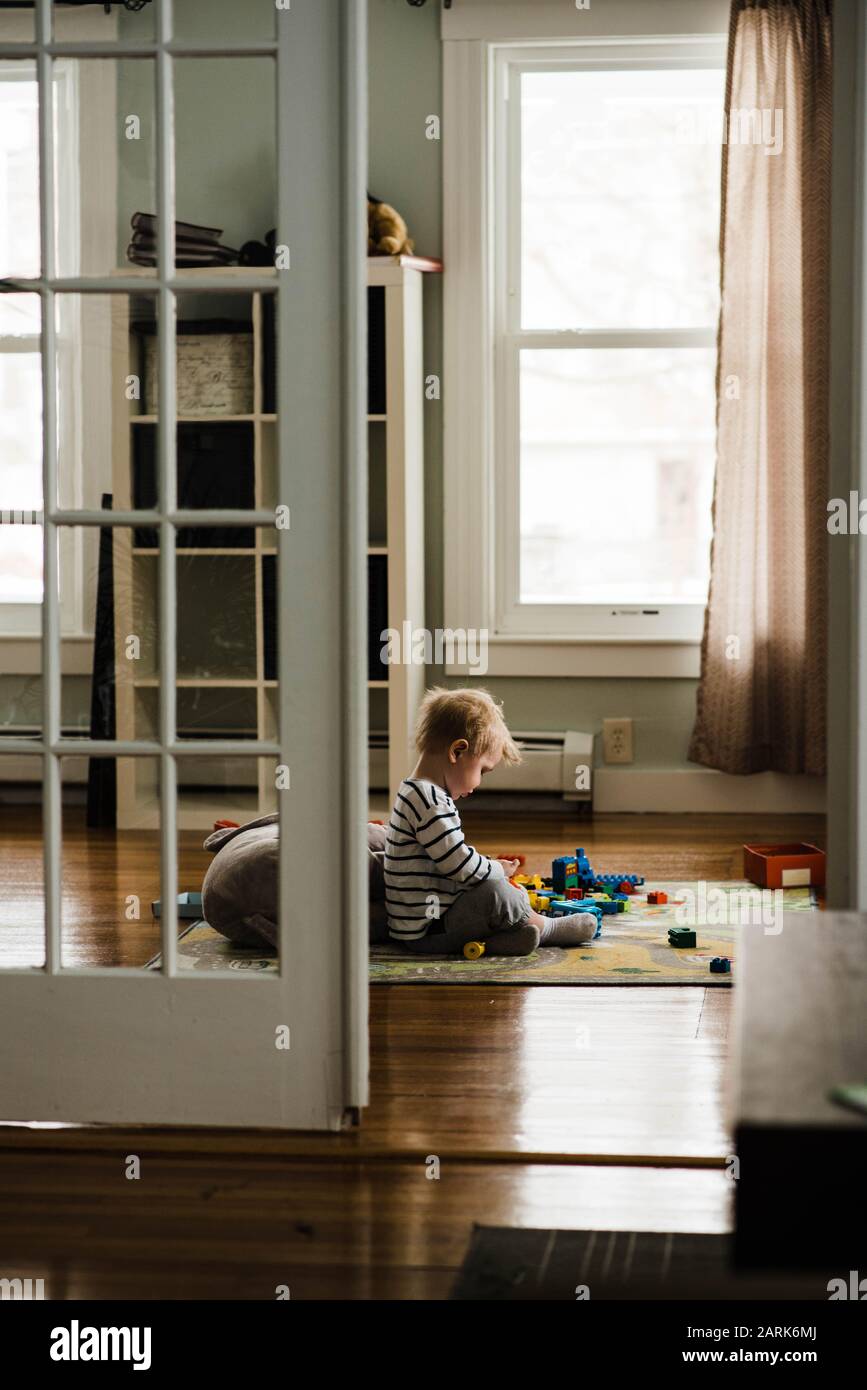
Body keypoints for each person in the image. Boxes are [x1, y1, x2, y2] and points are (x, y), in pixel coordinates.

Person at [385, 687, 598, 956]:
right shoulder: (430, 801)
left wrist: (486, 866)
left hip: (428, 923)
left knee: (495, 886)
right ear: (457, 752)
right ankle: (548, 929)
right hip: (431, 929)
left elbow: (448, 858)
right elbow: (461, 867)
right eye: (482, 771)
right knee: (496, 893)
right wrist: (495, 869)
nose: (478, 784)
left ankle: (503, 941)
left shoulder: (416, 791)